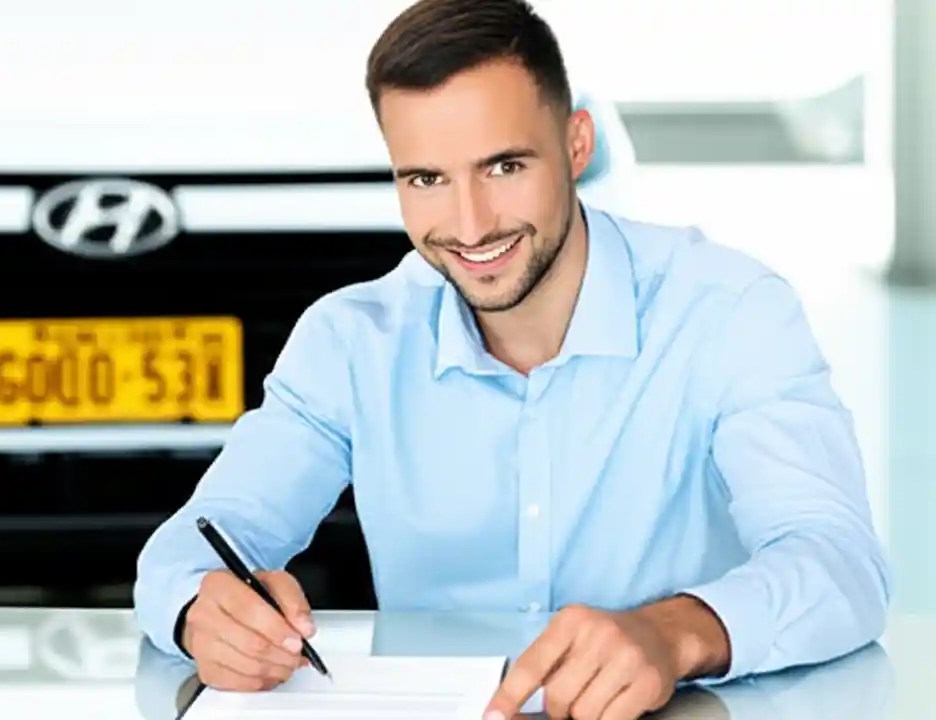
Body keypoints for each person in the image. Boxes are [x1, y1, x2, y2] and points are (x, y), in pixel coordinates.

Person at [133, 1, 892, 718]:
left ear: (577, 145)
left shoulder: (729, 311)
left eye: (503, 167)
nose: (470, 225)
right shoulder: (350, 342)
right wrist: (201, 608)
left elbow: (838, 563)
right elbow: (196, 541)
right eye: (427, 179)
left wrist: (675, 632)